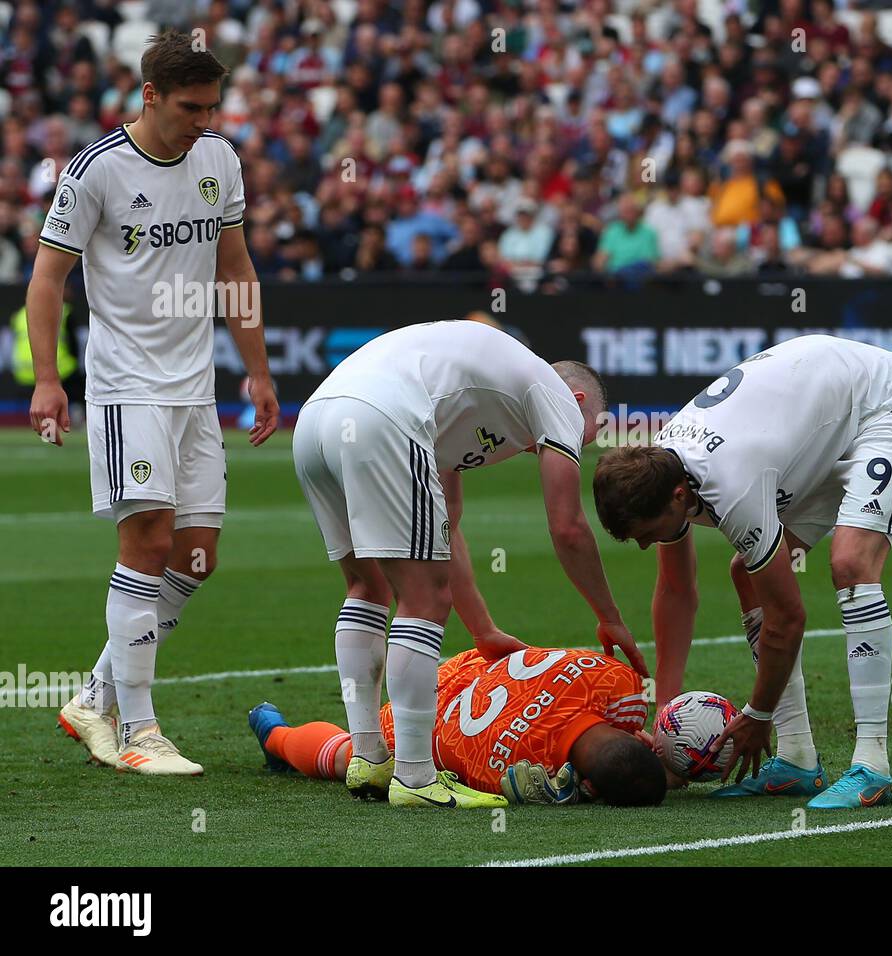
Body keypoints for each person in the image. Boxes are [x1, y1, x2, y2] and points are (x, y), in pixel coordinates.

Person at [34, 32, 279, 776]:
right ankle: (139, 731)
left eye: (212, 106)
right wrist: (49, 379)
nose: (204, 120)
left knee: (196, 558)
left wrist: (259, 373)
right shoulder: (96, 171)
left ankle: (92, 697)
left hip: (195, 388)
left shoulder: (219, 159)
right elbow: (48, 280)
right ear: (149, 95)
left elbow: (234, 267)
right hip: (126, 385)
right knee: (145, 544)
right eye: (189, 107)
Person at [292, 319, 645, 809]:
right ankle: (415, 779)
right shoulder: (557, 398)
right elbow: (567, 526)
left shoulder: (477, 403)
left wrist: (481, 629)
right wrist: (610, 616)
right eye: (591, 431)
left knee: (366, 587)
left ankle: (370, 757)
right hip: (381, 416)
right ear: (580, 403)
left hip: (315, 421)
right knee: (423, 598)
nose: (581, 443)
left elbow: (446, 523)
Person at [592, 335, 892, 809]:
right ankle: (796, 759)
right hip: (820, 423)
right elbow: (676, 589)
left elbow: (788, 618)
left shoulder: (729, 483)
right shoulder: (662, 469)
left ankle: (872, 765)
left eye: (648, 532)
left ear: (676, 498)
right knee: (747, 572)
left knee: (851, 563)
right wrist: (666, 720)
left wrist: (758, 713)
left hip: (887, 401)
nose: (648, 543)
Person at [247, 644, 667, 807]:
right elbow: (481, 772)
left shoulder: (618, 682)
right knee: (349, 756)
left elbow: (619, 726)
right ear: (589, 782)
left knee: (359, 750)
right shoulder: (512, 770)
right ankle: (277, 737)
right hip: (429, 725)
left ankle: (274, 728)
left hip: (467, 670)